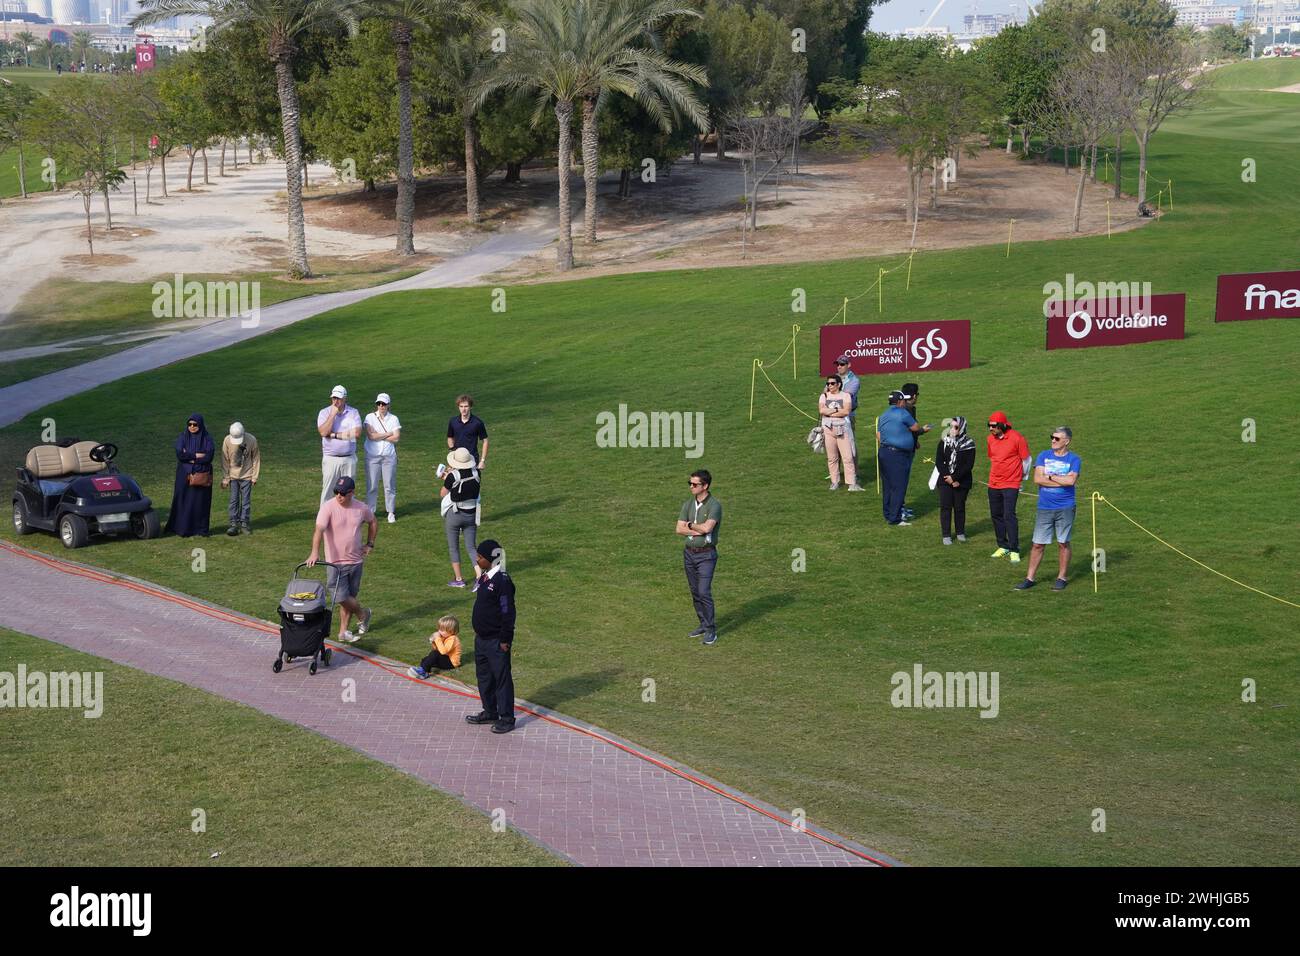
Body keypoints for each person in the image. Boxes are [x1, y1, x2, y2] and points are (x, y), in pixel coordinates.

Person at [306, 475, 377, 643]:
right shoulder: (328, 507)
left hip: (356, 562)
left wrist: (370, 544)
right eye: (337, 492)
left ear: (351, 493)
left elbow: (373, 522)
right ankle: (363, 614)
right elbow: (318, 531)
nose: (339, 495)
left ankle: (343, 632)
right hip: (335, 563)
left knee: (348, 598)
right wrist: (314, 552)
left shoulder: (361, 508)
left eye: (343, 493)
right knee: (341, 597)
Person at [1015, 427, 1082, 591]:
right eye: (1052, 437)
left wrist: (1050, 476)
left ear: (1066, 441)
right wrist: (1060, 479)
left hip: (1065, 507)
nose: (1053, 440)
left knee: (1063, 543)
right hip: (1045, 507)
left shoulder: (1074, 459)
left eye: (1057, 438)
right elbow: (1038, 479)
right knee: (1037, 544)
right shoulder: (1043, 456)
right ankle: (1029, 578)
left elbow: (1071, 482)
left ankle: (1062, 577)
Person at [464, 540, 518, 734]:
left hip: (497, 641)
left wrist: (505, 640)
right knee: (484, 677)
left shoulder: (503, 582)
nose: (477, 559)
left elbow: (508, 612)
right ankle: (490, 711)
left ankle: (507, 718)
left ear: (491, 559)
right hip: (481, 640)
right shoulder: (486, 577)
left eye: (480, 557)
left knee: (501, 679)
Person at [676, 469, 722, 645]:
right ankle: (703, 624)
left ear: (705, 486)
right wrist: (695, 528)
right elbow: (678, 529)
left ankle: (711, 630)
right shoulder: (688, 504)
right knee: (695, 591)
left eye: (694, 484)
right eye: (690, 483)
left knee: (703, 591)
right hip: (689, 553)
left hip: (706, 555)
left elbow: (707, 529)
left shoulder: (714, 506)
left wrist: (689, 525)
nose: (691, 487)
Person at [876, 391, 931, 526]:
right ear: (900, 402)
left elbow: (878, 434)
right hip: (897, 455)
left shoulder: (884, 414)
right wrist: (922, 431)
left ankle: (888, 513)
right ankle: (895, 518)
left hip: (884, 452)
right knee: (899, 487)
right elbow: (915, 427)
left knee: (888, 486)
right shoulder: (902, 413)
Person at [986, 410, 1031, 564]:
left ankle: (1014, 549)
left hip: (1011, 483)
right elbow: (993, 458)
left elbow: (1026, 459)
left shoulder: (1017, 438)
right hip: (993, 483)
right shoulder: (990, 439)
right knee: (996, 515)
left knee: (1009, 515)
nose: (991, 429)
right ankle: (1002, 545)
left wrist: (1022, 478)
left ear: (1002, 425)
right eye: (989, 426)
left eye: (993, 426)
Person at [165, 413, 215, 537]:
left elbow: (209, 456)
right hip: (184, 474)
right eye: (190, 424)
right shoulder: (183, 437)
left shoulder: (207, 439)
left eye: (195, 424)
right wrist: (196, 455)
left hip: (202, 475)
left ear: (201, 425)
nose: (192, 427)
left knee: (200, 503)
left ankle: (201, 530)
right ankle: (183, 529)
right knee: (183, 500)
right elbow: (180, 454)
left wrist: (190, 457)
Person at [440, 447, 481, 588]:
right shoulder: (477, 473)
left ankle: (459, 579)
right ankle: (480, 576)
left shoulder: (453, 476)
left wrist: (445, 479)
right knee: (471, 546)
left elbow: (443, 493)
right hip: (472, 514)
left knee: (454, 547)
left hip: (455, 514)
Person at [317, 385, 362, 505]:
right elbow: (323, 432)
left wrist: (334, 435)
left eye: (339, 398)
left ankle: (348, 519)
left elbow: (356, 433)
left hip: (349, 459)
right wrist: (332, 415)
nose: (336, 401)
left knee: (349, 491)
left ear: (345, 398)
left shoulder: (353, 412)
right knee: (328, 491)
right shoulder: (324, 412)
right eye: (333, 398)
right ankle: (324, 520)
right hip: (331, 459)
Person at [935, 416, 976, 545]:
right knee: (945, 507)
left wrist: (955, 478)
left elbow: (968, 465)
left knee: (959, 507)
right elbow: (939, 462)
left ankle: (960, 532)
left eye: (956, 427)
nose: (952, 429)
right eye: (951, 426)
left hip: (962, 481)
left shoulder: (969, 444)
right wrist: (949, 478)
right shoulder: (943, 442)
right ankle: (946, 534)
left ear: (962, 428)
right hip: (944, 480)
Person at [819, 375, 862, 491]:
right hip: (828, 429)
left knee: (847, 457)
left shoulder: (845, 396)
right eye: (828, 384)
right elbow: (822, 410)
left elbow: (846, 411)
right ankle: (835, 482)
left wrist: (831, 412)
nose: (829, 386)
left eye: (832, 383)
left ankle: (851, 483)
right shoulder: (824, 396)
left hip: (843, 428)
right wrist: (838, 410)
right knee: (832, 458)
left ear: (838, 384)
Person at [363, 392, 401, 523]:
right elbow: (370, 436)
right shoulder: (369, 417)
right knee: (372, 485)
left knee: (389, 485)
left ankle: (390, 511)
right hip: (372, 456)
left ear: (388, 405)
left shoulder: (394, 419)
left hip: (388, 457)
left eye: (383, 404)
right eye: (379, 403)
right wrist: (389, 433)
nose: (381, 406)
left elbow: (396, 438)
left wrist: (380, 434)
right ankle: (370, 512)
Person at [220, 421, 260, 536]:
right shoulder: (227, 440)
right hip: (233, 476)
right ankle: (233, 524)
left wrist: (254, 476)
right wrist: (226, 478)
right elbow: (225, 460)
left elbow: (256, 458)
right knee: (233, 500)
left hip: (247, 476)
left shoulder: (251, 440)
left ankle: (244, 523)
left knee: (246, 501)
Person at [407, 614, 463, 678]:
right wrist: (434, 641)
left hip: (451, 663)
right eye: (439, 629)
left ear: (451, 631)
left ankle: (422, 671)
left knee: (434, 654)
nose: (439, 631)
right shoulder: (445, 637)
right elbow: (437, 649)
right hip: (445, 658)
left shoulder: (453, 639)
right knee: (426, 659)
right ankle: (424, 672)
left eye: (442, 630)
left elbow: (443, 651)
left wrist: (437, 639)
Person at [447, 394, 489, 469]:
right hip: (457, 459)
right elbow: (450, 437)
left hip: (472, 460)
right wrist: (453, 451)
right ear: (458, 407)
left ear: (470, 407)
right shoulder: (453, 421)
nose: (463, 409)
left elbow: (485, 441)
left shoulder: (478, 423)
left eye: (466, 406)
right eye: (461, 406)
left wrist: (482, 461)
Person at [900, 383, 921, 520]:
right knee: (901, 480)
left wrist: (916, 440)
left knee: (903, 480)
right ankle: (899, 508)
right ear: (914, 396)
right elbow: (909, 428)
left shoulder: (908, 408)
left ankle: (901, 505)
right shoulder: (907, 410)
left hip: (909, 446)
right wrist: (922, 431)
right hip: (904, 450)